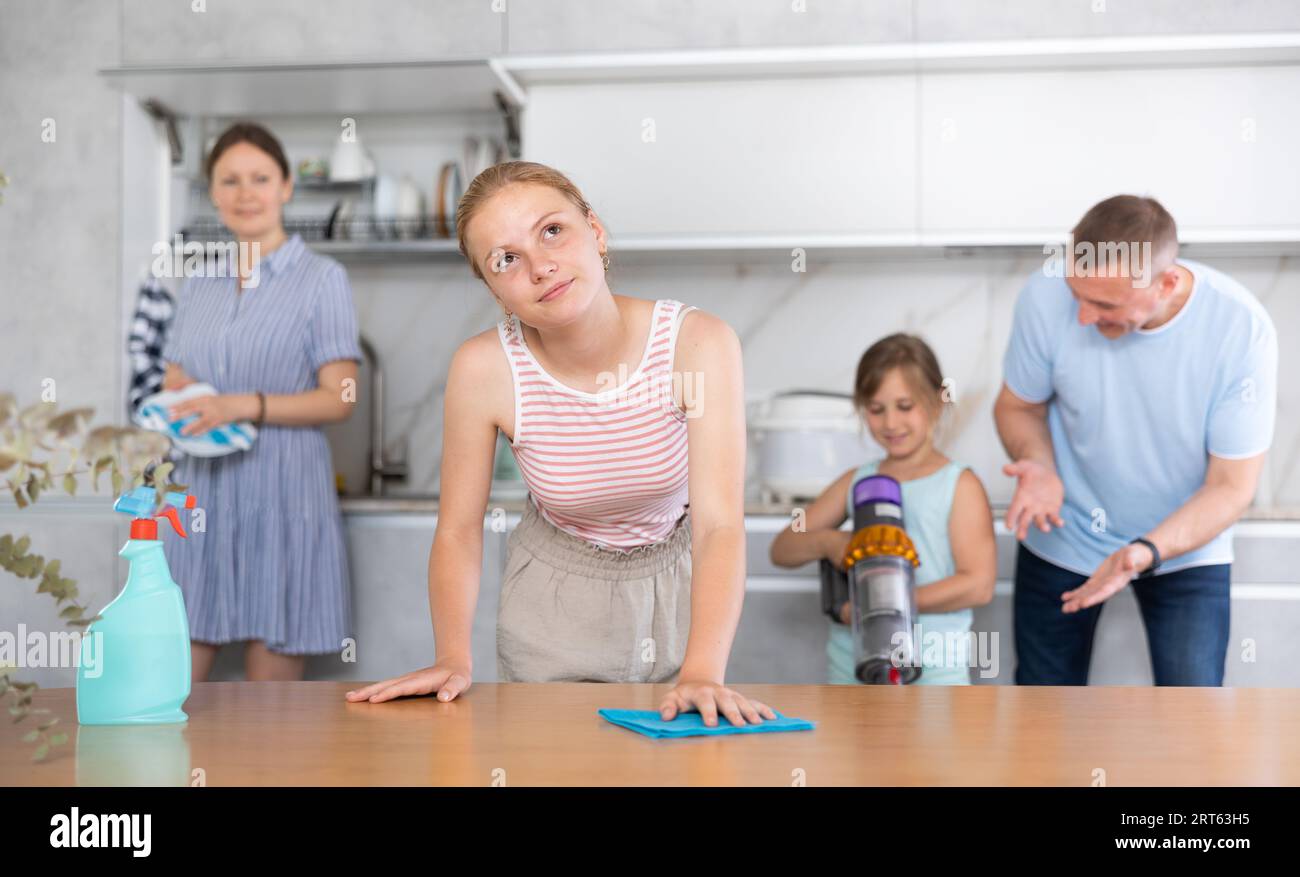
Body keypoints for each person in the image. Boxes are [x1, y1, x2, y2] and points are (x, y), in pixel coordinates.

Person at [346, 161, 775, 727]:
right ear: (496, 291)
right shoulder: (484, 368)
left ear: (594, 231)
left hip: (678, 591)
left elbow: (719, 524)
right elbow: (456, 529)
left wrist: (703, 669)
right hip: (552, 599)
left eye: (552, 230)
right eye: (506, 260)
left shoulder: (697, 344)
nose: (540, 267)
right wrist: (451, 657)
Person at [995, 194, 1277, 686]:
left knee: (1191, 714)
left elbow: (1231, 486)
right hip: (1064, 533)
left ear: (1166, 283)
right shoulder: (1043, 298)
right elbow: (1020, 406)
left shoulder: (1240, 329)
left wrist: (1144, 551)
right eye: (1075, 294)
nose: (1082, 316)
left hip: (1185, 547)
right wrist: (1037, 462)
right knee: (1040, 711)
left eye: (1105, 304)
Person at [161, 122, 361, 682]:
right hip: (198, 487)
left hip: (283, 485)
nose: (245, 193)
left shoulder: (322, 280)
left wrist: (242, 405)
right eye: (229, 180)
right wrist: (177, 402)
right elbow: (176, 377)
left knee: (270, 698)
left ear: (286, 187)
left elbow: (341, 397)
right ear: (213, 193)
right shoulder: (199, 282)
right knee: (175, 666)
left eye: (260, 178)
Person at [770, 334, 996, 684]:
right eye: (876, 410)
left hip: (936, 674)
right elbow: (783, 548)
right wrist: (830, 543)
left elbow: (977, 585)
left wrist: (877, 607)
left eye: (905, 406)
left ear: (938, 403)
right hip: (851, 670)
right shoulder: (856, 481)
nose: (890, 423)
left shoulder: (959, 485)